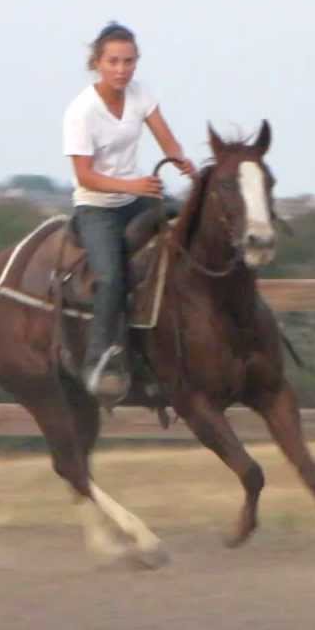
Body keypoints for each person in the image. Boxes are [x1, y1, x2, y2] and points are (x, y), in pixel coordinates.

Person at [62, 21, 196, 401]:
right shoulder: (81, 112)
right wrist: (133, 186)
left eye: (129, 61)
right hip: (97, 208)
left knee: (189, 227)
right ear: (97, 63)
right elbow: (84, 176)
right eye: (114, 61)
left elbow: (164, 136)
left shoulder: (140, 94)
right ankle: (98, 358)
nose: (122, 69)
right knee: (111, 278)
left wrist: (182, 161)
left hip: (135, 197)